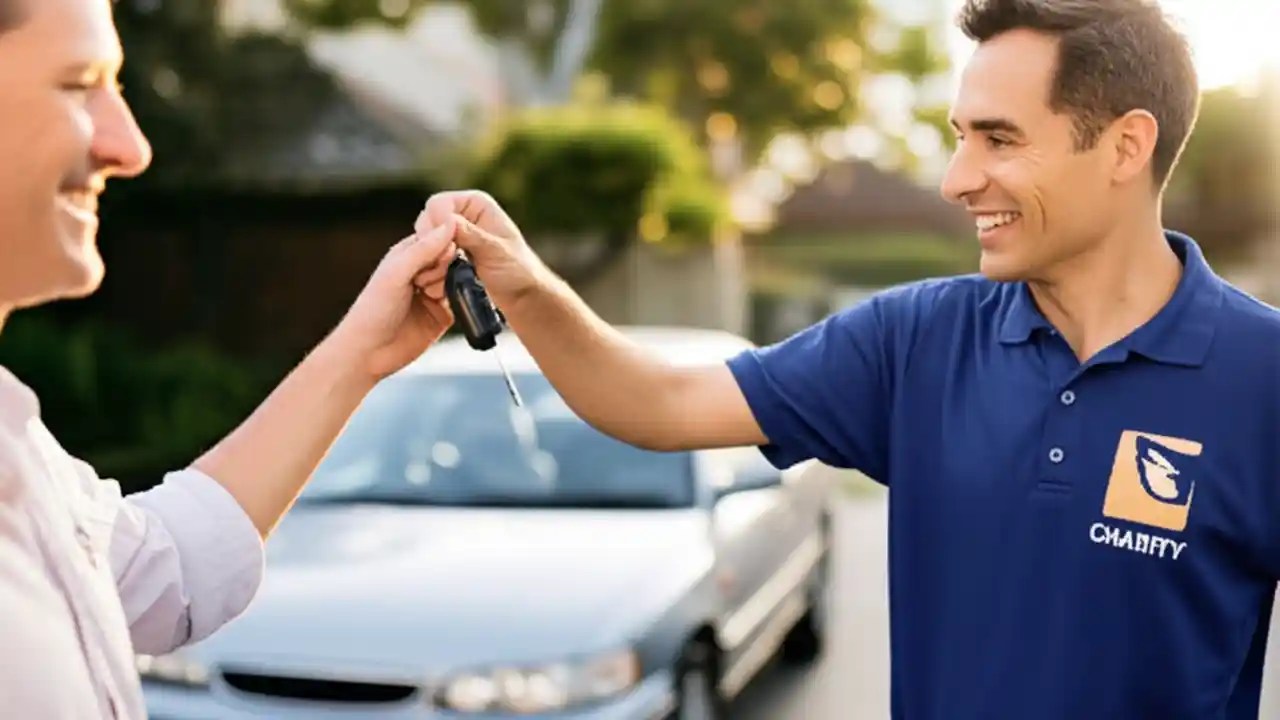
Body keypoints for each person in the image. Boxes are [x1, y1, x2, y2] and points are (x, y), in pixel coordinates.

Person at [414, 0, 1280, 718]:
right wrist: (524, 287)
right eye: (959, 136)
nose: (955, 178)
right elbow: (661, 404)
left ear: (1127, 146)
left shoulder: (1262, 378)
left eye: (999, 139)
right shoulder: (912, 342)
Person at [0, 0, 460, 717]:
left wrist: (360, 354)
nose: (130, 147)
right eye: (79, 83)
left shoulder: (20, 451)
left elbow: (166, 571)